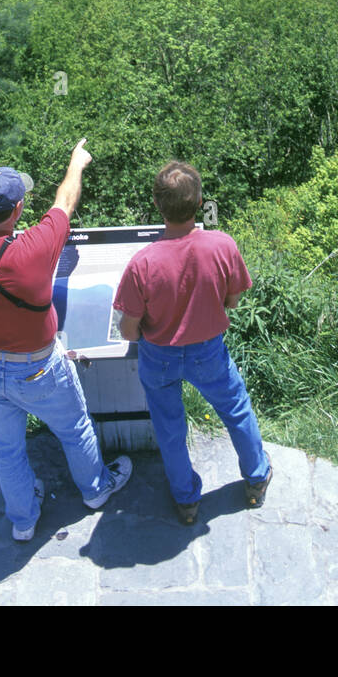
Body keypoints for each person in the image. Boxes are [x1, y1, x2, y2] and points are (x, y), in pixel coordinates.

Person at [0, 141, 131, 541]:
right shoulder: (33, 250)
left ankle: (24, 521)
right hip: (39, 369)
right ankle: (96, 491)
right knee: (75, 427)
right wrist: (76, 162)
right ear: (18, 210)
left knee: (7, 449)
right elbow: (65, 201)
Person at [113, 160, 271, 524]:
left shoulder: (142, 262)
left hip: (159, 356)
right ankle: (256, 479)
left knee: (169, 427)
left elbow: (128, 330)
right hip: (208, 351)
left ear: (157, 205)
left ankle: (187, 501)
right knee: (236, 410)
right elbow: (232, 300)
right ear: (200, 202)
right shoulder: (222, 245)